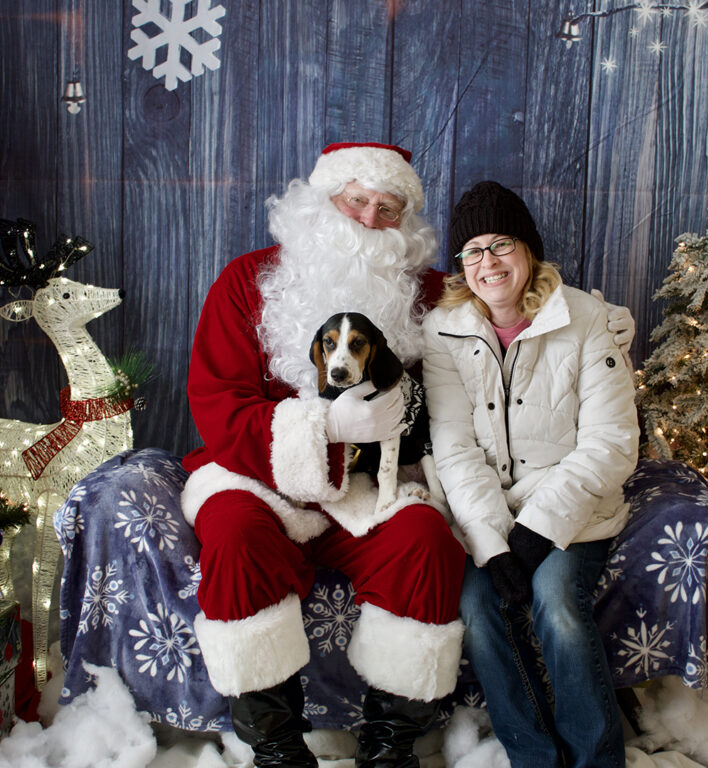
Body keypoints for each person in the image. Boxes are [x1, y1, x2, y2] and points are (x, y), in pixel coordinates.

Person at [181, 142, 468, 768]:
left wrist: (587, 322)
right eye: (355, 201)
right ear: (320, 202)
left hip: (371, 485)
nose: (368, 220)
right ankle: (277, 748)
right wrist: (325, 428)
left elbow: (503, 334)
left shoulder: (431, 292)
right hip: (257, 477)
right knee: (233, 537)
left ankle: (390, 746)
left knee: (426, 542)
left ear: (406, 223)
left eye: (387, 209)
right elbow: (217, 400)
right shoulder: (247, 281)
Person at [422, 181, 640, 768]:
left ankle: (596, 758)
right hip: (487, 509)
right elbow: (454, 445)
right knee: (477, 608)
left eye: (502, 244)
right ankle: (534, 756)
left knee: (557, 601)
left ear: (528, 250)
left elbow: (612, 443)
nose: (488, 262)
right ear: (461, 264)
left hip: (572, 506)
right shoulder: (442, 330)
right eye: (473, 250)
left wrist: (538, 531)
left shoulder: (585, 318)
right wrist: (493, 544)